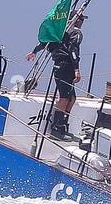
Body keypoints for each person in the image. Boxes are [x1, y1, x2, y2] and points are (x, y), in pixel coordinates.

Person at [27, 10, 85, 140]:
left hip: (64, 66)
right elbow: (73, 50)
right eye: (81, 19)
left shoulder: (61, 32)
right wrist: (77, 69)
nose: (82, 22)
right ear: (76, 20)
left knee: (72, 98)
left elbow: (44, 43)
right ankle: (56, 129)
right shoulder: (75, 33)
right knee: (64, 98)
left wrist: (34, 52)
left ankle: (63, 124)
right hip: (65, 66)